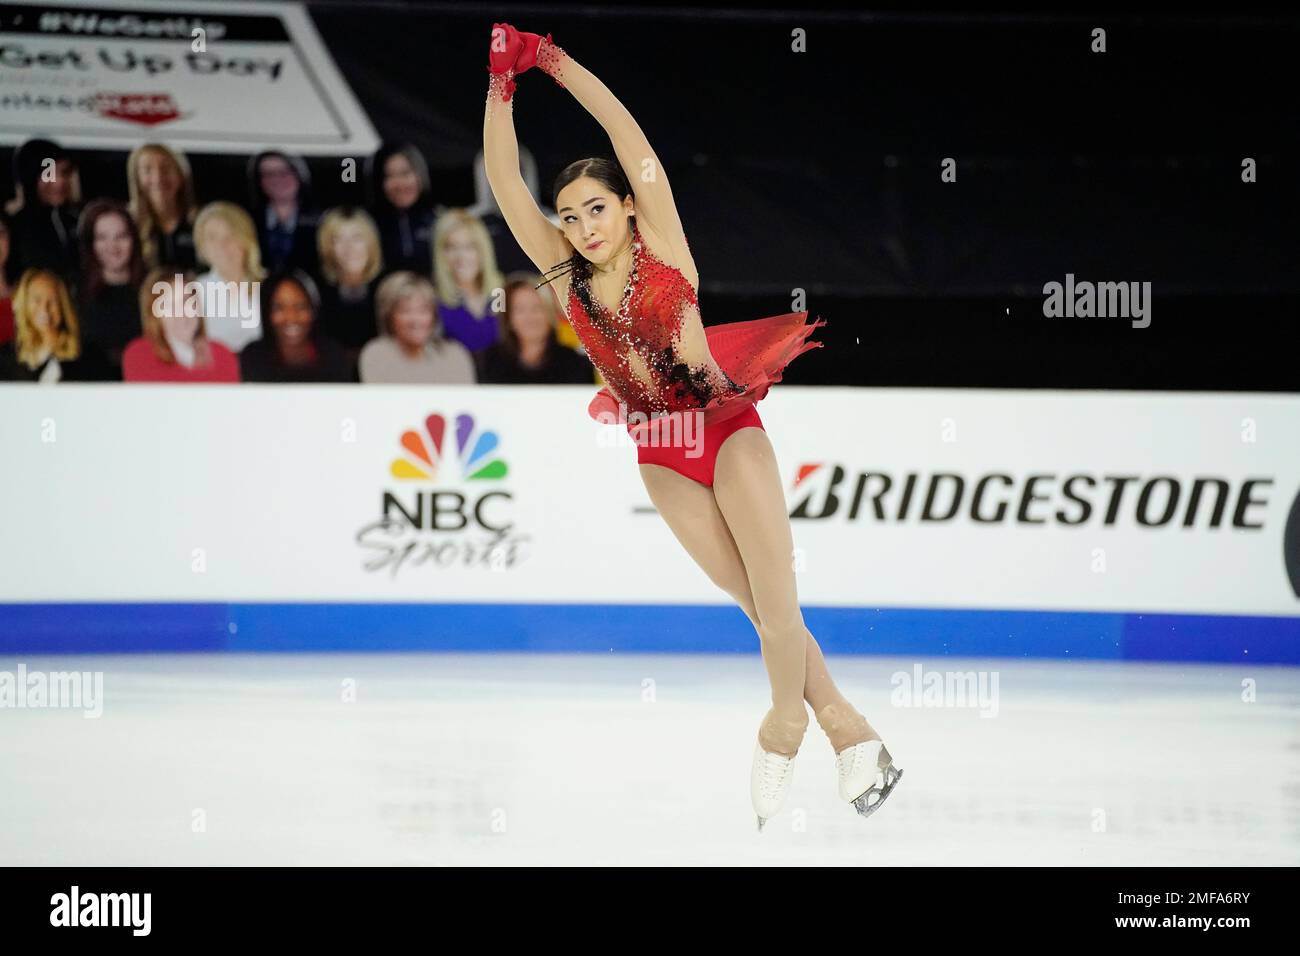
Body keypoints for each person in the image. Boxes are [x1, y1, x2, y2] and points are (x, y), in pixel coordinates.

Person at [483, 24, 900, 829]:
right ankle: (851, 732)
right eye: (568, 216)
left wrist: (554, 62)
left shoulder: (666, 245)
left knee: (777, 602)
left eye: (596, 207)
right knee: (755, 604)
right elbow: (504, 179)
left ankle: (787, 727)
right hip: (662, 454)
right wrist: (500, 84)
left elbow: (625, 133)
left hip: (726, 425)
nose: (582, 226)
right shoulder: (565, 278)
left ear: (629, 206)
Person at [122, 268, 240, 383]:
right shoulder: (140, 356)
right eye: (169, 305)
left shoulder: (222, 355)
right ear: (154, 315)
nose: (181, 312)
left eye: (186, 301)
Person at [358, 271, 475, 384]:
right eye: (405, 311)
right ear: (389, 316)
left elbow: (468, 402)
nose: (416, 320)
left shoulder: (454, 356)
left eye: (423, 311)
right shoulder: (376, 355)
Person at [478, 273, 595, 384]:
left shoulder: (575, 363)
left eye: (537, 308)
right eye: (520, 309)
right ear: (509, 318)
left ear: (550, 313)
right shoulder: (490, 362)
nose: (530, 317)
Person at [0, 268, 113, 382]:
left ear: (63, 306)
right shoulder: (5, 360)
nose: (45, 308)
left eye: (53, 300)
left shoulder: (90, 357)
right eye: (36, 300)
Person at [239, 270, 352, 383]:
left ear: (313, 311)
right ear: (267, 313)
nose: (291, 317)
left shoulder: (333, 357)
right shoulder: (253, 357)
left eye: (300, 307)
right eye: (279, 308)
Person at [76, 199, 146, 374]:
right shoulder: (75, 293)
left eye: (121, 236)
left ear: (134, 240)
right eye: (102, 237)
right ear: (91, 244)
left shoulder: (154, 291)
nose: (112, 246)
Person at [315, 206, 385, 364]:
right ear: (328, 247)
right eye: (338, 240)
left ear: (371, 242)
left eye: (357, 238)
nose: (349, 248)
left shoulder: (388, 285)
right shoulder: (317, 290)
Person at [432, 209, 503, 365]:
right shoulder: (433, 301)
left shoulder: (501, 293)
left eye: (470, 247)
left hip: (502, 385)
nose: (461, 257)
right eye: (451, 247)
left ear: (483, 251)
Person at [193, 201, 265, 353]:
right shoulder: (193, 292)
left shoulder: (271, 285)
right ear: (202, 247)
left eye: (230, 236)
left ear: (246, 240)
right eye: (212, 238)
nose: (222, 245)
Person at [7, 138, 82, 282]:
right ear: (29, 177)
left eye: (65, 173)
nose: (59, 181)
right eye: (49, 174)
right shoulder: (13, 230)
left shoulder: (76, 222)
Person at [366, 143, 437, 274]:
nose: (399, 184)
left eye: (405, 173)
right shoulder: (367, 225)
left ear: (420, 174)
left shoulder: (439, 219)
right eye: (389, 176)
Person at [126, 143, 198, 270]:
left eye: (166, 168)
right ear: (137, 179)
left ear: (181, 175)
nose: (158, 178)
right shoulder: (126, 225)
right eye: (147, 170)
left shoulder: (201, 223)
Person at [247, 150, 319, 274]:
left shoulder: (319, 221)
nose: (277, 179)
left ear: (300, 175)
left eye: (285, 172)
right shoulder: (247, 221)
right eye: (268, 174)